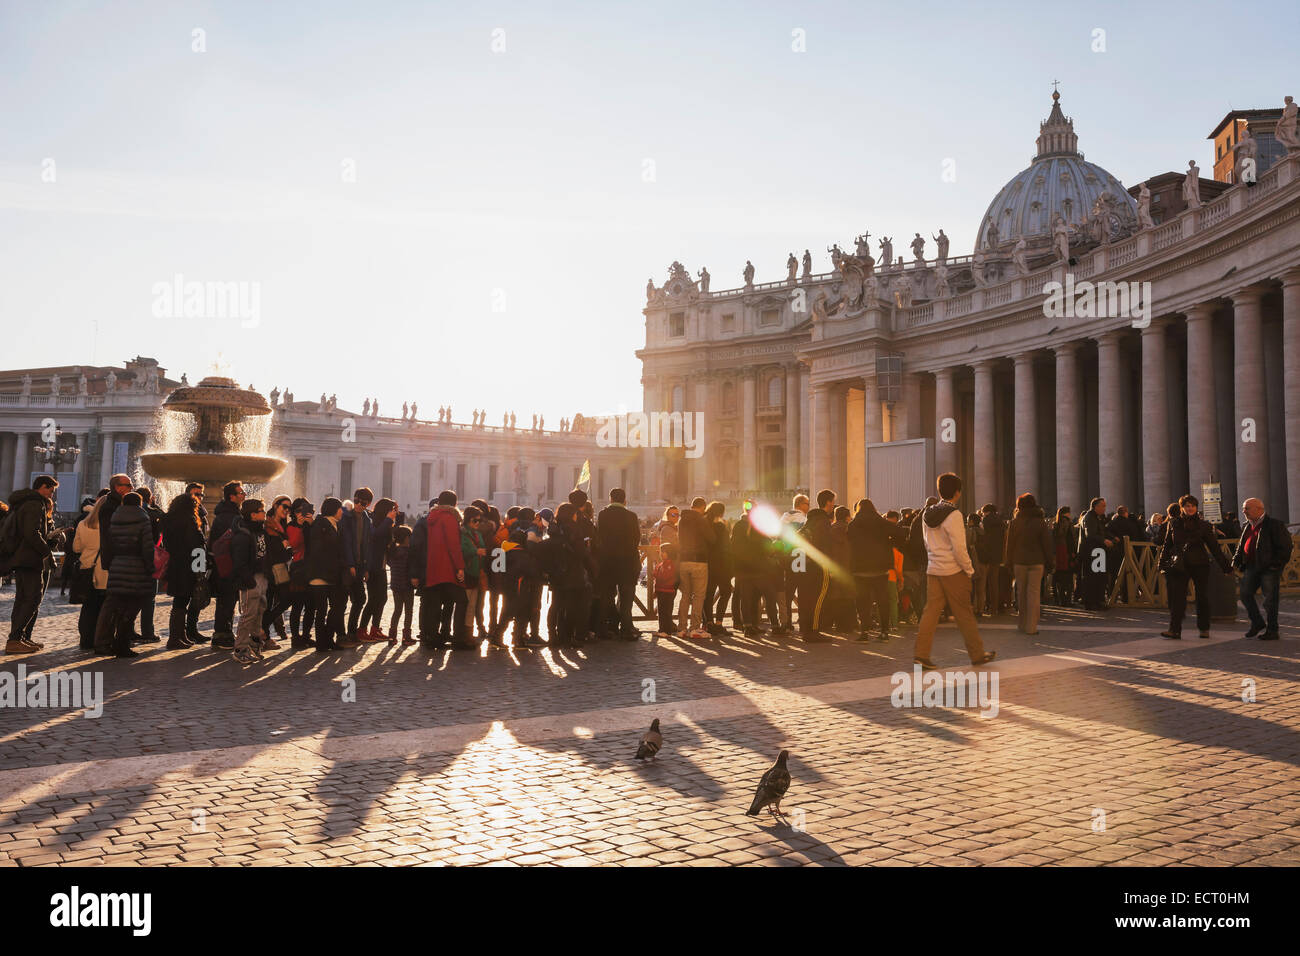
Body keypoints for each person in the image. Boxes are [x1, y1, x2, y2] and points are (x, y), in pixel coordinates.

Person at [913, 473, 996, 671]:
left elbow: (926, 543)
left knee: (930, 613)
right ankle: (977, 654)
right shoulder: (954, 515)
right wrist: (968, 570)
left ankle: (921, 654)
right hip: (952, 571)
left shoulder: (927, 514)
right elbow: (960, 548)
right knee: (965, 614)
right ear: (957, 492)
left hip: (933, 569)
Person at [3, 475, 62, 654]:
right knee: (32, 598)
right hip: (29, 558)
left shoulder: (23, 502)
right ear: (42, 487)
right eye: (51, 491)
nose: (52, 495)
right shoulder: (35, 504)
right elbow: (32, 532)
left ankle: (19, 638)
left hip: (21, 557)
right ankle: (15, 639)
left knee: (22, 599)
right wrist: (47, 552)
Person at [1159, 494, 1231, 640]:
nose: (1190, 508)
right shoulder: (1174, 524)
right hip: (1179, 565)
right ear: (1182, 508)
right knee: (1177, 598)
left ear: (1196, 508)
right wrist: (1162, 563)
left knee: (1202, 597)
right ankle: (1174, 629)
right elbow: (1167, 545)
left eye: (1192, 505)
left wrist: (1225, 566)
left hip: (1200, 565)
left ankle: (1204, 628)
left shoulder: (1204, 525)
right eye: (1187, 506)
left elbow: (1214, 547)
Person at [96, 491, 156, 659]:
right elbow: (147, 547)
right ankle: (122, 645)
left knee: (116, 606)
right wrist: (150, 567)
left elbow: (107, 544)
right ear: (140, 503)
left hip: (117, 565)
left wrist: (109, 564)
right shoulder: (143, 519)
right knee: (131, 608)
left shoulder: (115, 518)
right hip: (137, 567)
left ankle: (105, 642)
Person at [410, 490, 469, 650]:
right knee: (462, 600)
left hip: (432, 567)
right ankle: (458, 638)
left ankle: (431, 637)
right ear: (454, 503)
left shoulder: (431, 518)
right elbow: (453, 545)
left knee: (434, 603)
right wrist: (459, 567)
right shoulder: (449, 518)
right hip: (447, 567)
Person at [847, 498, 908, 642]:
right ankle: (884, 631)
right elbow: (900, 533)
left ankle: (864, 632)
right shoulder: (881, 522)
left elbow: (848, 541)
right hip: (880, 568)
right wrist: (890, 544)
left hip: (860, 568)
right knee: (883, 600)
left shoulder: (854, 524)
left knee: (863, 601)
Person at [537, 502, 597, 647]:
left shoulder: (554, 528)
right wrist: (588, 553)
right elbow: (581, 552)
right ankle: (566, 638)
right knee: (572, 607)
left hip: (557, 573)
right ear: (572, 515)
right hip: (572, 572)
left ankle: (553, 636)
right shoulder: (574, 529)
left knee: (556, 605)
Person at [1232, 497, 1292, 641]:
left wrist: (1275, 564)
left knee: (1270, 600)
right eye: (1243, 508)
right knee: (1245, 594)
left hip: (1268, 568)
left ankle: (1272, 630)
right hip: (1252, 566)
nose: (1243, 511)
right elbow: (1241, 546)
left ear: (1259, 509)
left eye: (1247, 508)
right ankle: (1257, 622)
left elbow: (1286, 547)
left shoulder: (1274, 525)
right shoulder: (1247, 525)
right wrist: (1234, 561)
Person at [161, 489, 207, 649]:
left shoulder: (169, 520)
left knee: (180, 600)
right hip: (188, 565)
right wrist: (201, 567)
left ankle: (180, 635)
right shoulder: (189, 520)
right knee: (182, 600)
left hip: (176, 564)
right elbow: (197, 546)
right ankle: (175, 637)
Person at [1004, 492, 1054, 635]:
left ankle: (1021, 625)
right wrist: (1050, 562)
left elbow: (1010, 545)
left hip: (1019, 562)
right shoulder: (1040, 522)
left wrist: (1008, 562)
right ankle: (1031, 628)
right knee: (1034, 595)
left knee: (1021, 594)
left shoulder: (1014, 522)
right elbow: (1047, 544)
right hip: (1037, 562)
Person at [596, 488, 642, 641]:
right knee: (627, 597)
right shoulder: (631, 516)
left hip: (607, 562)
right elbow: (637, 538)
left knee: (607, 596)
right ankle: (626, 629)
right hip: (628, 563)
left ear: (610, 499)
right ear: (625, 500)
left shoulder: (603, 515)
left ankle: (607, 627)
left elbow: (599, 536)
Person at [231, 497, 271, 663]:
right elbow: (239, 562)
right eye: (262, 511)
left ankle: (254, 645)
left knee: (259, 611)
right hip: (251, 579)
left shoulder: (260, 531)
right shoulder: (243, 534)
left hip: (261, 577)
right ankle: (240, 648)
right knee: (248, 614)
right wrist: (249, 581)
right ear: (253, 515)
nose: (264, 513)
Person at [208, 481, 247, 649]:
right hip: (228, 565)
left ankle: (223, 633)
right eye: (240, 493)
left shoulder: (226, 514)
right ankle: (222, 635)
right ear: (232, 497)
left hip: (224, 564)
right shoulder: (230, 517)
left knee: (228, 599)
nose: (244, 495)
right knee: (227, 599)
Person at [796, 489, 836, 643]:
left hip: (805, 564)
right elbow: (825, 545)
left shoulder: (810, 520)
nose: (833, 505)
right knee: (818, 598)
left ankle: (806, 628)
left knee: (806, 597)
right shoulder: (823, 521)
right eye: (832, 501)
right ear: (828, 502)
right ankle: (814, 630)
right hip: (818, 565)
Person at [307, 497, 346, 653]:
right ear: (333, 509)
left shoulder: (334, 525)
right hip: (320, 574)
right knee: (322, 610)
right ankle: (322, 642)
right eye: (339, 508)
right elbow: (318, 551)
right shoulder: (321, 525)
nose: (341, 511)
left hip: (331, 574)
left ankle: (327, 639)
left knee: (336, 606)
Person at [72, 492, 110, 651]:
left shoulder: (83, 524)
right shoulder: (109, 524)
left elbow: (76, 548)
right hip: (105, 570)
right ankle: (100, 639)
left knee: (88, 607)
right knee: (103, 607)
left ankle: (85, 640)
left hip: (87, 568)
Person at [676, 497, 715, 639]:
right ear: (702, 507)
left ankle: (681, 628)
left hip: (684, 561)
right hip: (699, 561)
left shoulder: (682, 520)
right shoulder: (701, 520)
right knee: (698, 596)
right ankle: (695, 628)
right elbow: (712, 539)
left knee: (685, 595)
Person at [358, 497, 396, 641]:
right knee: (373, 599)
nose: (393, 513)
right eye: (392, 510)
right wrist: (388, 520)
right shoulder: (372, 522)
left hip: (380, 566)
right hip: (372, 566)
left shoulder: (385, 524)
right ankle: (362, 629)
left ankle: (375, 628)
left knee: (382, 598)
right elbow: (375, 535)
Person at [341, 487, 374, 642]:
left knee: (360, 599)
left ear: (368, 504)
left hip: (360, 565)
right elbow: (346, 543)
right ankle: (343, 634)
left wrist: (365, 568)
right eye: (356, 501)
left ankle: (352, 632)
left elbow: (367, 545)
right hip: (348, 566)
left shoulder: (367, 519)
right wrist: (350, 564)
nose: (359, 505)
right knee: (342, 602)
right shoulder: (346, 517)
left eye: (363, 503)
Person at [260, 495, 293, 643]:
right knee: (272, 601)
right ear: (275, 506)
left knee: (284, 599)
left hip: (280, 567)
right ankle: (264, 634)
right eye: (284, 507)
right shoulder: (267, 525)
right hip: (271, 568)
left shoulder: (283, 526)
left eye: (289, 508)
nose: (287, 510)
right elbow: (272, 549)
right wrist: (286, 547)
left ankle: (263, 627)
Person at [135, 485, 165, 644]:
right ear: (150, 497)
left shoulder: (129, 513)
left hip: (132, 560)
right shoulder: (153, 514)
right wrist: (155, 505)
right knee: (149, 598)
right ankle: (148, 631)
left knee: (132, 597)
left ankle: (128, 631)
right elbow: (164, 521)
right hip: (151, 558)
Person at [702, 501, 734, 636]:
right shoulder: (721, 527)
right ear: (721, 513)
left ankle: (709, 623)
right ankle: (719, 623)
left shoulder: (705, 525)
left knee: (708, 595)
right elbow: (727, 547)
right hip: (722, 565)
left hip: (708, 565)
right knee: (725, 593)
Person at [286, 498, 315, 649]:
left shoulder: (312, 525)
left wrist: (310, 524)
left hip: (312, 568)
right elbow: (294, 544)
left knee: (311, 606)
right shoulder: (291, 526)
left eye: (304, 510)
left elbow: (316, 543)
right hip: (298, 569)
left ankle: (306, 636)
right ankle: (295, 638)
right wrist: (300, 525)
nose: (301, 514)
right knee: (297, 606)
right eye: (297, 511)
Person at [1076, 497, 1114, 610]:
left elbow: (1102, 531)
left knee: (1099, 577)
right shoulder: (1089, 518)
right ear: (1095, 506)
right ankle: (1091, 602)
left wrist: (1112, 537)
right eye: (1102, 506)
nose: (1104, 508)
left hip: (1098, 551)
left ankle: (1098, 601)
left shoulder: (1097, 517)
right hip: (1092, 552)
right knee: (1092, 578)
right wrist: (1104, 540)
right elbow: (1090, 534)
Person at [460, 505, 488, 643]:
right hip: (467, 573)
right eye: (475, 520)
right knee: (466, 604)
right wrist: (476, 552)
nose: (477, 523)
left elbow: (482, 547)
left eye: (479, 521)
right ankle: (464, 634)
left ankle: (468, 633)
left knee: (472, 605)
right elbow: (462, 550)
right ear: (468, 520)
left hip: (477, 573)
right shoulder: (462, 533)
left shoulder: (478, 534)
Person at [387, 524, 416, 645]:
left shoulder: (393, 551)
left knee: (397, 610)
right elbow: (411, 568)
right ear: (407, 538)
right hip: (407, 585)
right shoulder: (409, 552)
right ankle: (406, 637)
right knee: (408, 610)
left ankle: (392, 637)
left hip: (395, 584)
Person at [976, 504, 1007, 615]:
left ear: (986, 512)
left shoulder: (984, 521)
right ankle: (995, 607)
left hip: (986, 556)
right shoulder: (1001, 522)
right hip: (997, 556)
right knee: (995, 582)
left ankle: (985, 606)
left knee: (984, 583)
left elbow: (982, 537)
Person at [1051, 506, 1076, 607]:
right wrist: (1073, 552)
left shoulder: (1055, 524)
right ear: (1067, 513)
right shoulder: (1067, 523)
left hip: (1058, 552)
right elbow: (1070, 539)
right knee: (1068, 577)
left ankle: (1060, 599)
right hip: (1066, 551)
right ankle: (1067, 600)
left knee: (1059, 577)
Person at [653, 542, 679, 637]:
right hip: (661, 591)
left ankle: (667, 631)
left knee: (667, 612)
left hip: (668, 591)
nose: (661, 554)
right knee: (661, 611)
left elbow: (666, 577)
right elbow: (656, 576)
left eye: (663, 552)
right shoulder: (661, 564)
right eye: (660, 552)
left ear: (669, 552)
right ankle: (662, 629)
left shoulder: (670, 564)